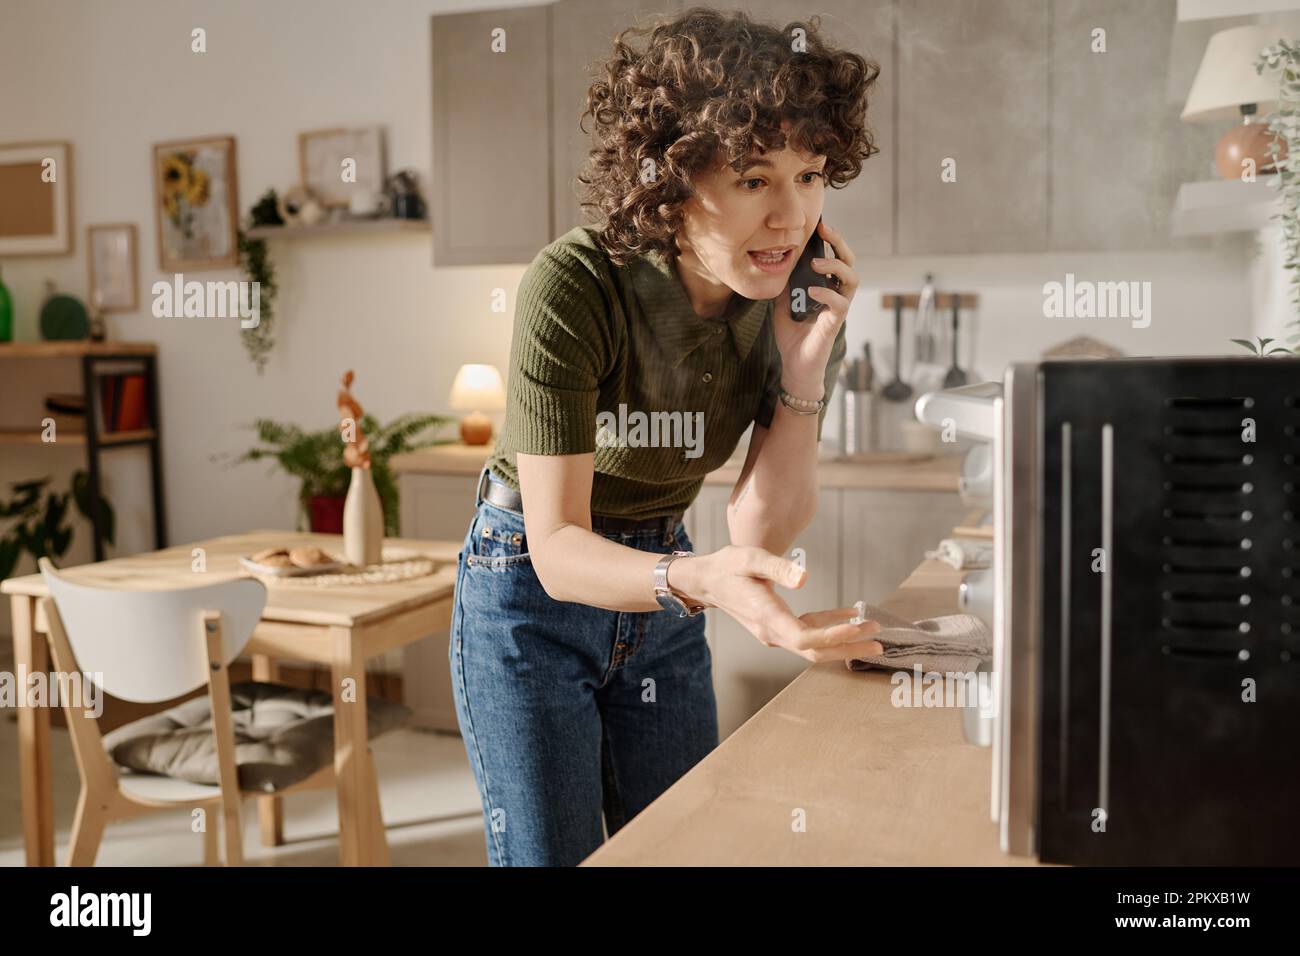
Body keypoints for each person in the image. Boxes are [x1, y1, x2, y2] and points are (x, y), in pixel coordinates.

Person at [450, 6, 884, 867]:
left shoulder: (776, 302)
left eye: (810, 176)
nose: (791, 217)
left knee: (686, 847)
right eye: (756, 180)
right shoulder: (574, 285)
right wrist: (699, 579)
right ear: (672, 179)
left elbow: (760, 537)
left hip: (668, 584)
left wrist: (803, 369)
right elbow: (560, 548)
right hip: (531, 596)